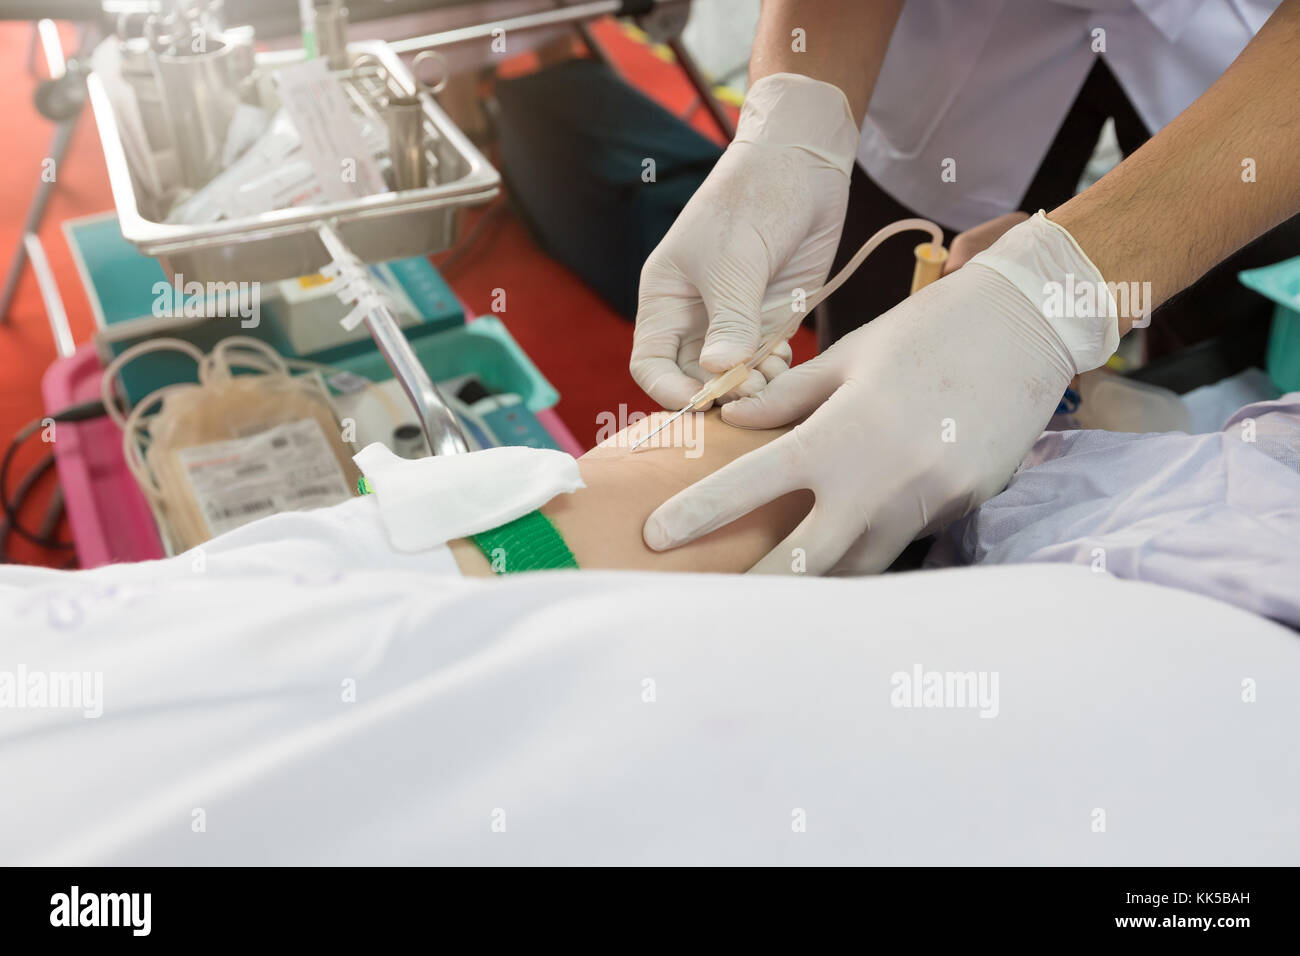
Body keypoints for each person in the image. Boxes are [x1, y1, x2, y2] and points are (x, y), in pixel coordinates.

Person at [630, 0, 1300, 576]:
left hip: (1256, 69)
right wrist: (793, 118)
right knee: (879, 369)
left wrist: (1054, 292)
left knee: (1225, 312)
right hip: (957, 42)